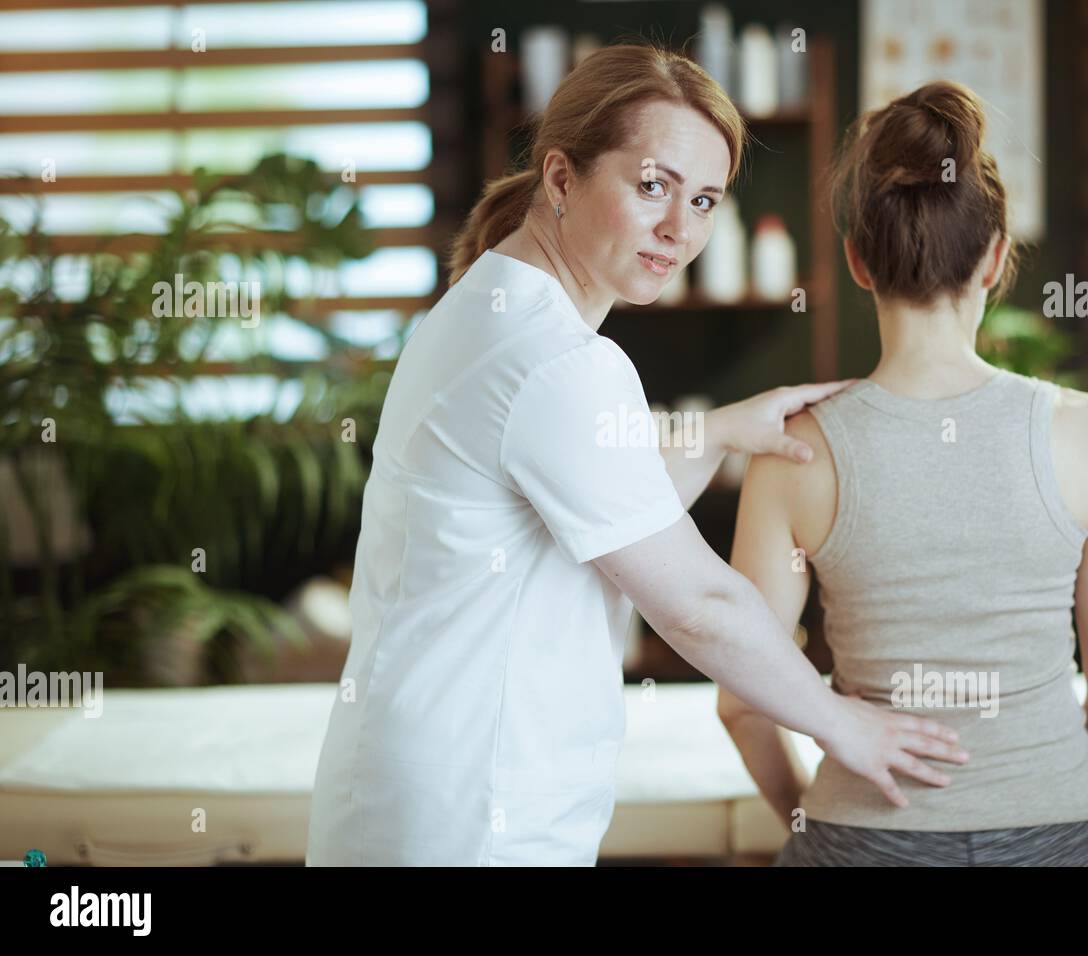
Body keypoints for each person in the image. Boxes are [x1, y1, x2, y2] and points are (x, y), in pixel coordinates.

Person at [306, 44, 966, 866]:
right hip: (473, 815)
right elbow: (696, 604)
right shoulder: (558, 360)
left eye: (703, 199)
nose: (678, 229)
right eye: (651, 186)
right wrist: (843, 721)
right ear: (560, 179)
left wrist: (718, 430)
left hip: (413, 796)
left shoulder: (481, 311)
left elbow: (597, 506)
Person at [719, 81, 1088, 867]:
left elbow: (744, 703)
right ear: (994, 259)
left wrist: (816, 822)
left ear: (857, 260)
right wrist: (1051, 797)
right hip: (1060, 827)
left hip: (858, 835)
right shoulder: (1086, 432)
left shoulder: (792, 450)